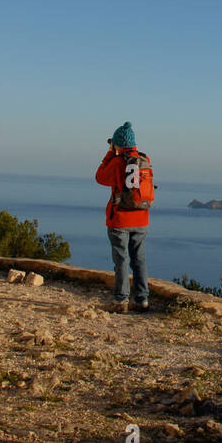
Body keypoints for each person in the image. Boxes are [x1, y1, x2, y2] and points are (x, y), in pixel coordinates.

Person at [94, 121, 152, 313]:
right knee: (140, 259)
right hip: (141, 218)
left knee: (121, 260)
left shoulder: (118, 162)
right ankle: (142, 299)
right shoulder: (145, 159)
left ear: (118, 143)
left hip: (119, 220)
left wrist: (110, 153)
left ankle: (121, 300)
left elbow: (100, 176)